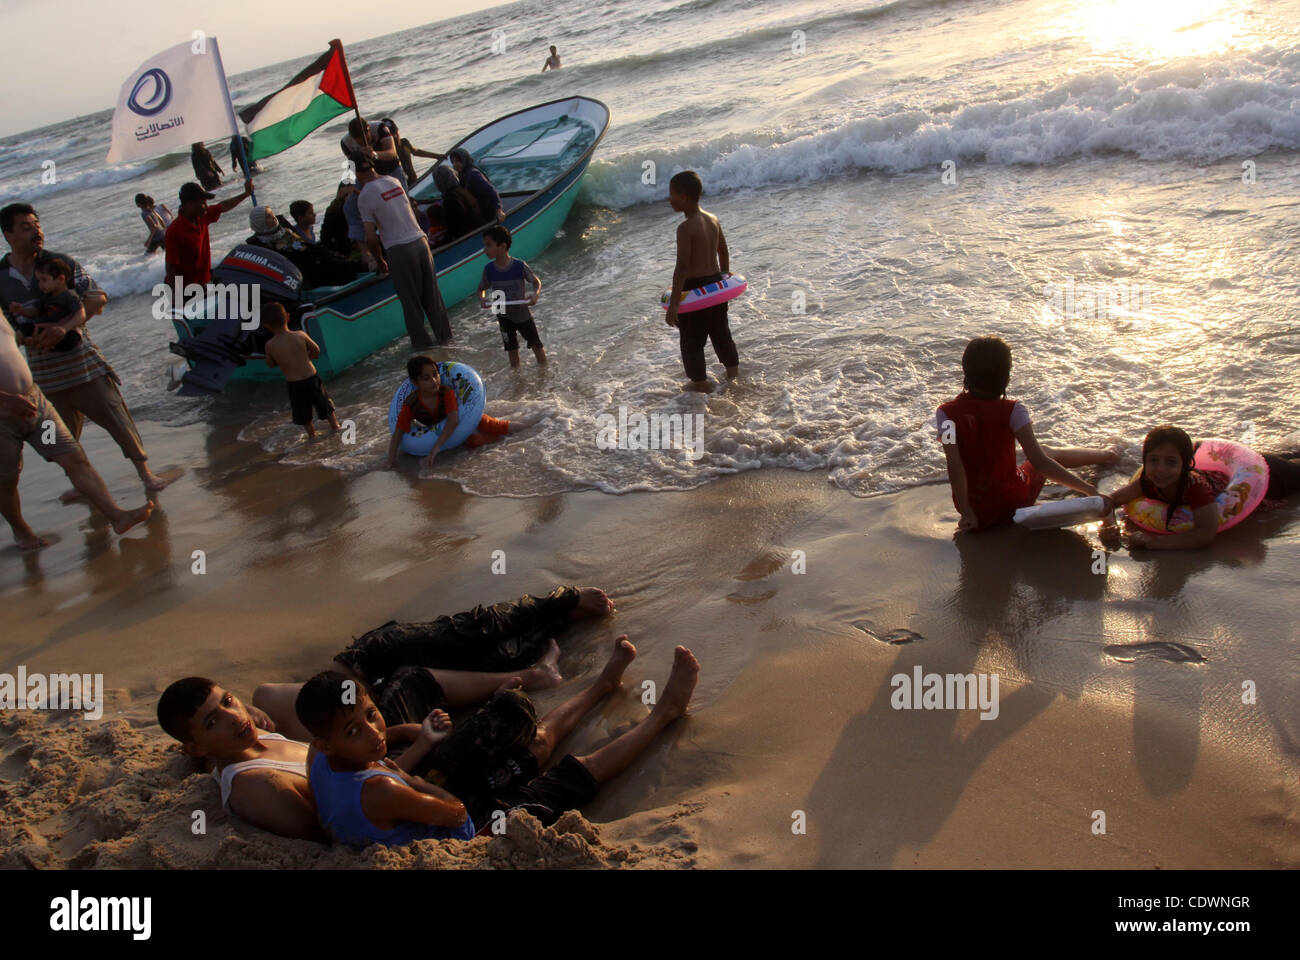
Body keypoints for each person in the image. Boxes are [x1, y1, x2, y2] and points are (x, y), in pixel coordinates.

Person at [163, 586, 614, 839]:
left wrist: (254, 719)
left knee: (390, 655)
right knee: (499, 712)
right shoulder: (254, 786)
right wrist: (414, 753)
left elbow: (268, 701)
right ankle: (535, 663)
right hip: (396, 788)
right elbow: (335, 828)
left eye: (227, 701)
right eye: (212, 721)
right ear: (195, 744)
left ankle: (537, 633)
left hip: (370, 754)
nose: (232, 716)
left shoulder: (250, 735)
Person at [297, 635, 697, 846]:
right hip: (479, 829)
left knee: (536, 745)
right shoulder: (380, 789)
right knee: (571, 774)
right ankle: (665, 713)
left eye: (371, 714)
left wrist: (408, 735)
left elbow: (381, 764)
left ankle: (602, 685)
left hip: (428, 806)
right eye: (354, 731)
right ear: (329, 742)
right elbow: (454, 814)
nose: (373, 733)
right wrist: (416, 781)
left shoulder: (319, 753)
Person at [0, 203, 172, 495]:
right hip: (42, 371)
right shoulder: (1, 278)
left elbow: (96, 297)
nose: (37, 232)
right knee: (60, 435)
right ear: (8, 235)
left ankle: (145, 473)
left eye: (37, 224)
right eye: (26, 227)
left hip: (81, 360)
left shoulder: (58, 263)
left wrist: (63, 328)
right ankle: (82, 485)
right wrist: (24, 339)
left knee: (115, 415)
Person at [0, 309, 152, 550]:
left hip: (34, 405)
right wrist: (5, 400)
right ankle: (22, 532)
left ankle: (117, 516)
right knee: (6, 481)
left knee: (73, 457)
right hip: (3, 417)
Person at [936, 335, 1116, 533]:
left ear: (966, 372)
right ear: (1007, 376)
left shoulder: (946, 413)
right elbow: (1039, 461)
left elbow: (955, 467)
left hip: (977, 511)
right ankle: (1108, 455)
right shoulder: (1013, 410)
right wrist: (1088, 490)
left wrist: (967, 511)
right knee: (1047, 452)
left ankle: (1106, 456)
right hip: (1012, 503)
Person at [1098, 426, 1300, 551]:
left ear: (1185, 464)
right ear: (1144, 461)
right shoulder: (1146, 481)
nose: (1160, 469)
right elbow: (1109, 502)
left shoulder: (1194, 488)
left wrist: (1152, 542)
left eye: (1170, 462)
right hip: (1252, 466)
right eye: (1153, 461)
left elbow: (1205, 534)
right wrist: (1108, 526)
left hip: (1273, 479)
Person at [357, 164, 452, 346]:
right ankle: (447, 342)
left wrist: (380, 260)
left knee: (411, 305)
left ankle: (424, 350)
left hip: (398, 249)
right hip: (420, 242)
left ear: (357, 171)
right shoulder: (394, 181)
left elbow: (370, 238)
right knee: (434, 299)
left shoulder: (364, 195)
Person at [664, 170, 739, 392]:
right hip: (715, 285)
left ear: (684, 197)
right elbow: (723, 251)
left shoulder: (685, 228)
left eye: (672, 195)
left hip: (695, 288)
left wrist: (674, 305)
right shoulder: (712, 219)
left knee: (691, 342)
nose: (669, 199)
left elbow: (682, 267)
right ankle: (733, 376)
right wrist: (724, 280)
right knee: (721, 333)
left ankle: (699, 383)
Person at [386, 355, 508, 469]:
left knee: (489, 424)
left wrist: (434, 450)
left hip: (461, 420)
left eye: (435, 374)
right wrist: (390, 461)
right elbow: (398, 433)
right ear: (414, 383)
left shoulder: (445, 392)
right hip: (439, 432)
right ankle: (502, 440)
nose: (434, 381)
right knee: (474, 441)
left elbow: (453, 420)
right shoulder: (411, 404)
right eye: (426, 378)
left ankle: (521, 429)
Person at [262, 303, 340, 439]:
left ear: (266, 326)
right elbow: (316, 349)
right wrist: (308, 357)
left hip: (294, 385)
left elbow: (270, 364)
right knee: (324, 404)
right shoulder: (300, 335)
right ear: (287, 317)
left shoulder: (270, 345)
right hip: (312, 378)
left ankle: (312, 435)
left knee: (303, 413)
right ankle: (335, 426)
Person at [164, 180, 255, 290]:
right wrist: (179, 298)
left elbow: (223, 206)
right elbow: (171, 268)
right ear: (190, 204)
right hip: (185, 290)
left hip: (205, 281)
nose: (206, 206)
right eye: (203, 202)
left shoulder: (202, 217)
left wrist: (246, 193)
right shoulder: (174, 231)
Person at [477, 225, 544, 368]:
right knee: (511, 350)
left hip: (522, 314)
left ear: (502, 247)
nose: (485, 250)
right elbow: (481, 289)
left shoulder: (519, 266)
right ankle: (517, 380)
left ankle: (544, 372)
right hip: (503, 315)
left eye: (488, 245)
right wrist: (482, 298)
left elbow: (536, 282)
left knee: (536, 346)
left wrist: (535, 295)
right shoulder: (489, 269)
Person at [246, 206, 361, 289]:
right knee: (341, 267)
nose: (274, 217)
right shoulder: (260, 244)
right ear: (260, 222)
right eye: (268, 217)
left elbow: (305, 244)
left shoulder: (284, 230)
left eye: (272, 214)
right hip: (301, 272)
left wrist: (328, 253)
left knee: (342, 262)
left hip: (314, 258)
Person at [7, 254, 83, 353]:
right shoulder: (45, 297)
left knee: (74, 338)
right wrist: (22, 311)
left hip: (63, 330)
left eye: (44, 280)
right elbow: (35, 311)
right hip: (43, 327)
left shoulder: (69, 296)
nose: (40, 284)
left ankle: (47, 345)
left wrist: (64, 328)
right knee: (25, 328)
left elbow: (81, 314)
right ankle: (12, 352)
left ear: (61, 279)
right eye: (38, 280)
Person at [341, 117, 406, 191]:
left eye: (367, 139)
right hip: (369, 174)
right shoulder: (346, 143)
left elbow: (392, 153)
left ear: (369, 128)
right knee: (352, 199)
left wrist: (374, 154)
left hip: (391, 167)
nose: (364, 143)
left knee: (401, 194)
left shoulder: (379, 127)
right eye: (360, 142)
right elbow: (355, 168)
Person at [448, 148, 504, 225]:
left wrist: (499, 210)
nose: (455, 164)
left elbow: (490, 190)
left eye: (458, 161)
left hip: (488, 214)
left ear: (465, 160)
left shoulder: (473, 174)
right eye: (453, 161)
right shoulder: (462, 175)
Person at [432, 164, 483, 241]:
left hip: (467, 238)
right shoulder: (462, 191)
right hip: (478, 230)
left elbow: (452, 230)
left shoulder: (449, 200)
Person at [320, 182, 355, 258]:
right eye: (346, 195)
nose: (350, 197)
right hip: (340, 249)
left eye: (353, 194)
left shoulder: (355, 205)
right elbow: (341, 241)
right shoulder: (336, 213)